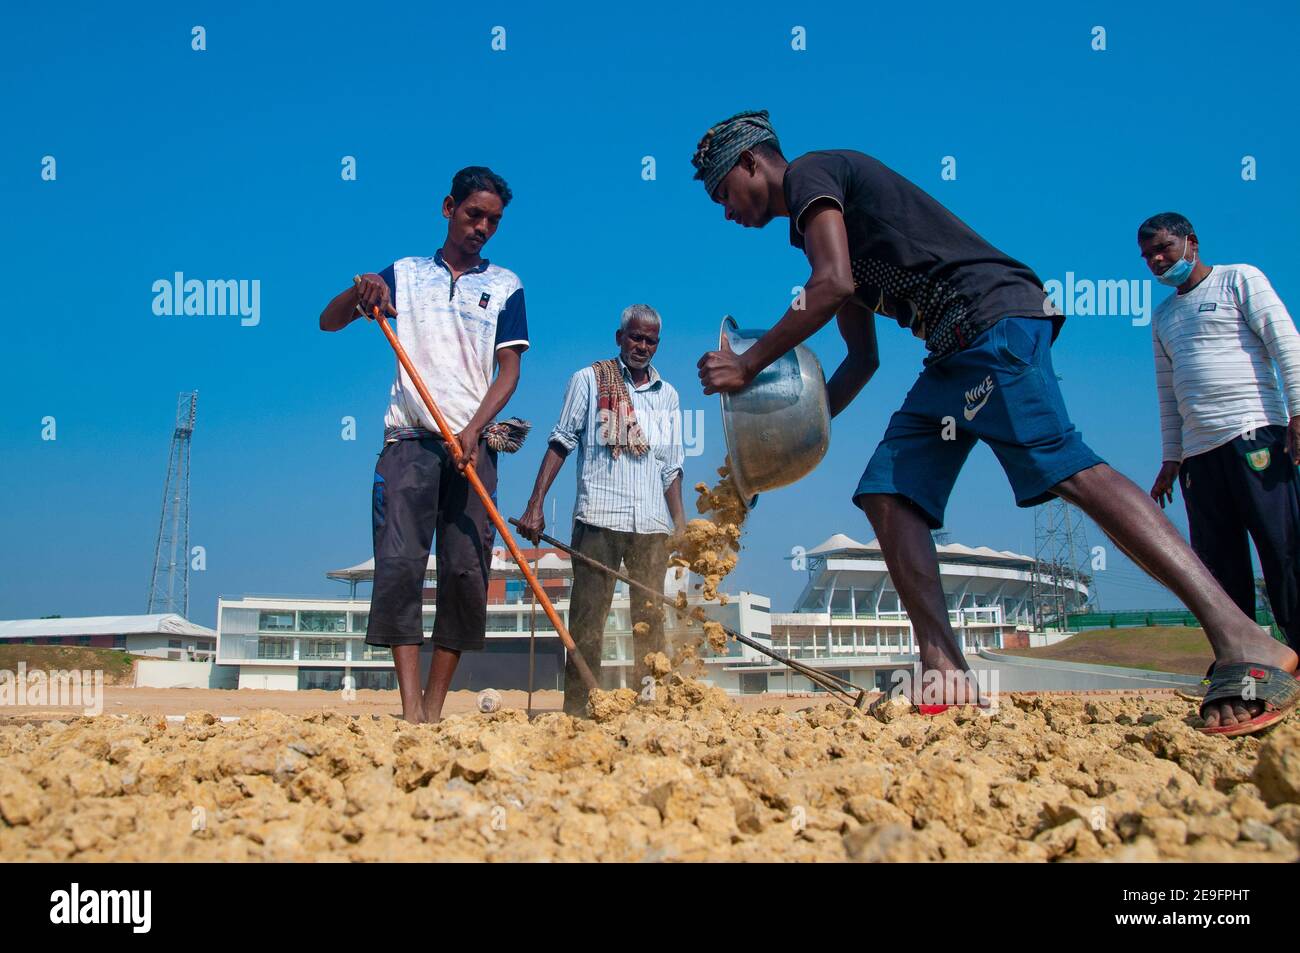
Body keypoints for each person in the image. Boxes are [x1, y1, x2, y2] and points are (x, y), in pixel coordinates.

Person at [690, 109, 1297, 736]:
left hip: (994, 320)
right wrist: (777, 447)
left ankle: (1243, 638)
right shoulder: (815, 232)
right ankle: (945, 672)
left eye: (722, 194)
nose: (726, 212)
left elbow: (832, 282)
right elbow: (860, 360)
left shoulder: (815, 175)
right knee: (888, 491)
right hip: (952, 352)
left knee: (1065, 466)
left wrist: (748, 363)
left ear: (750, 163)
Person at [318, 166, 529, 723]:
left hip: (472, 447)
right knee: (399, 566)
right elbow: (328, 322)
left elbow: (509, 370)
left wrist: (474, 428)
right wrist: (360, 290)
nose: (482, 226)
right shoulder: (406, 275)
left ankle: (435, 708)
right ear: (448, 208)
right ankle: (410, 710)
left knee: (466, 572)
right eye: (473, 214)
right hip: (409, 443)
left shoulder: (505, 285)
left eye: (493, 220)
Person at [1143, 212, 1300, 660]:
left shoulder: (1239, 279)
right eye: (1148, 256)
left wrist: (1298, 411)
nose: (1156, 261)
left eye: (1164, 249)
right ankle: (1241, 660)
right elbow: (1167, 392)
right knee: (1216, 565)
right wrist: (1171, 458)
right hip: (1198, 456)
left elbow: (1286, 342)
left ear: (1191, 242)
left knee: (1282, 549)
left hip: (1254, 433)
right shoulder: (1163, 316)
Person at [517, 304, 686, 716]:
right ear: (619, 337)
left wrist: (681, 525)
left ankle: (650, 704)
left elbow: (671, 467)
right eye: (635, 337)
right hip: (598, 519)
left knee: (649, 623)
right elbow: (560, 441)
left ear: (657, 345)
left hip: (651, 524)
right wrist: (535, 504)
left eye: (650, 340)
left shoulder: (668, 396)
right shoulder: (589, 380)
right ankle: (579, 709)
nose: (642, 346)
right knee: (588, 621)